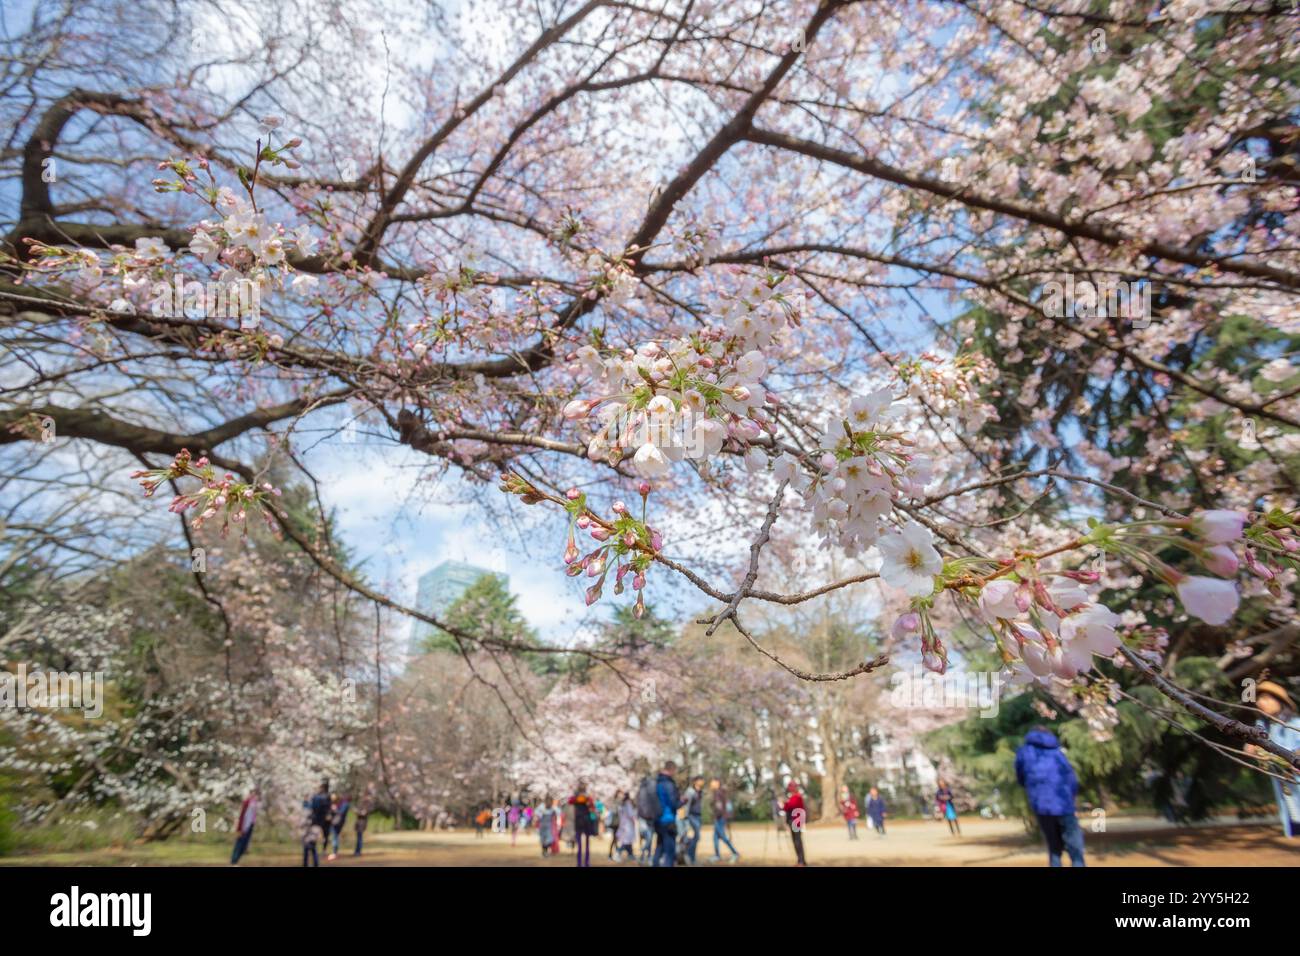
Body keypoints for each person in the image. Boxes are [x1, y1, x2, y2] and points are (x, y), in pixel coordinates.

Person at [1015, 725, 1085, 866]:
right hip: (1064, 804)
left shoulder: (1023, 752)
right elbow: (1071, 778)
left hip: (1041, 805)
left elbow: (1021, 778)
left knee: (1054, 848)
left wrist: (1033, 791)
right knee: (1075, 849)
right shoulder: (1058, 752)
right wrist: (1072, 797)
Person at [1250, 681, 1300, 837]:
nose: (1260, 703)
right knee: (1293, 815)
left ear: (1280, 702)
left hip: (1295, 778)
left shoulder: (1295, 724)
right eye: (1259, 699)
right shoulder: (1263, 726)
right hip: (1282, 780)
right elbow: (1251, 748)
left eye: (1265, 698)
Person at [654, 760, 681, 867]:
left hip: (658, 819)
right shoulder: (668, 784)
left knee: (659, 848)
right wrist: (682, 801)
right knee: (669, 852)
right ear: (672, 769)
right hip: (668, 820)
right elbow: (673, 803)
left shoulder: (657, 782)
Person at [708, 778, 740, 863]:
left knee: (722, 836)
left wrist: (717, 816)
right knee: (715, 837)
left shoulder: (718, 793)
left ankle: (735, 853)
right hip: (721, 817)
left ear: (717, 783)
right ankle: (717, 855)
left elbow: (720, 807)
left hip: (720, 818)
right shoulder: (720, 792)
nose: (710, 784)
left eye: (712, 782)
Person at [569, 782, 598, 867]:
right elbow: (570, 801)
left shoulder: (585, 797)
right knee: (581, 844)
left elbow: (592, 806)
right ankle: (581, 863)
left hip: (583, 821)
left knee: (585, 843)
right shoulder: (577, 797)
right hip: (581, 821)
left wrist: (586, 800)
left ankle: (585, 862)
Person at [231, 785, 259, 864]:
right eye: (252, 793)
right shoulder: (246, 802)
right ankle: (234, 861)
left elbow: (253, 815)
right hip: (244, 826)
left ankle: (236, 860)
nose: (254, 795)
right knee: (239, 843)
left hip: (250, 825)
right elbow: (242, 815)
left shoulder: (254, 803)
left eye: (255, 793)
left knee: (244, 845)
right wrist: (241, 827)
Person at [782, 780, 807, 866]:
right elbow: (785, 808)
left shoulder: (797, 797)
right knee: (795, 841)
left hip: (797, 821)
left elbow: (791, 805)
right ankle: (799, 860)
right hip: (792, 821)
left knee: (797, 841)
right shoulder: (791, 797)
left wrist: (786, 802)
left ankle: (801, 861)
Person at [635, 773, 659, 864]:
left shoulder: (644, 791)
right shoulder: (645, 791)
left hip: (647, 818)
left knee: (649, 838)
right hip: (645, 818)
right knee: (649, 838)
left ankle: (646, 857)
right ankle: (642, 854)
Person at [681, 775, 705, 865]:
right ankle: (689, 856)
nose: (702, 782)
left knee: (696, 838)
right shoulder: (690, 792)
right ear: (695, 781)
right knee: (696, 837)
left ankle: (691, 857)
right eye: (700, 780)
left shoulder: (700, 792)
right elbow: (686, 805)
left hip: (698, 816)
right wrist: (685, 818)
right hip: (691, 816)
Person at [307, 780, 332, 860]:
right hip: (321, 818)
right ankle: (317, 849)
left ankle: (318, 849)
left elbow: (314, 807)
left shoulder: (320, 796)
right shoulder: (320, 796)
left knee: (322, 834)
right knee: (321, 834)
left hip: (320, 818)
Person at [615, 790, 638, 860]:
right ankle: (618, 853)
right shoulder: (628, 803)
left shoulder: (622, 804)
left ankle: (631, 855)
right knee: (626, 841)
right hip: (628, 824)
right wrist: (634, 819)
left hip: (623, 823)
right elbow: (630, 814)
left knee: (628, 840)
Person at [328, 792, 350, 861]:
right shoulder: (340, 803)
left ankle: (334, 853)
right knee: (335, 836)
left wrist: (334, 809)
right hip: (337, 822)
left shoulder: (345, 804)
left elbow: (341, 813)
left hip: (337, 822)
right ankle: (334, 852)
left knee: (335, 836)